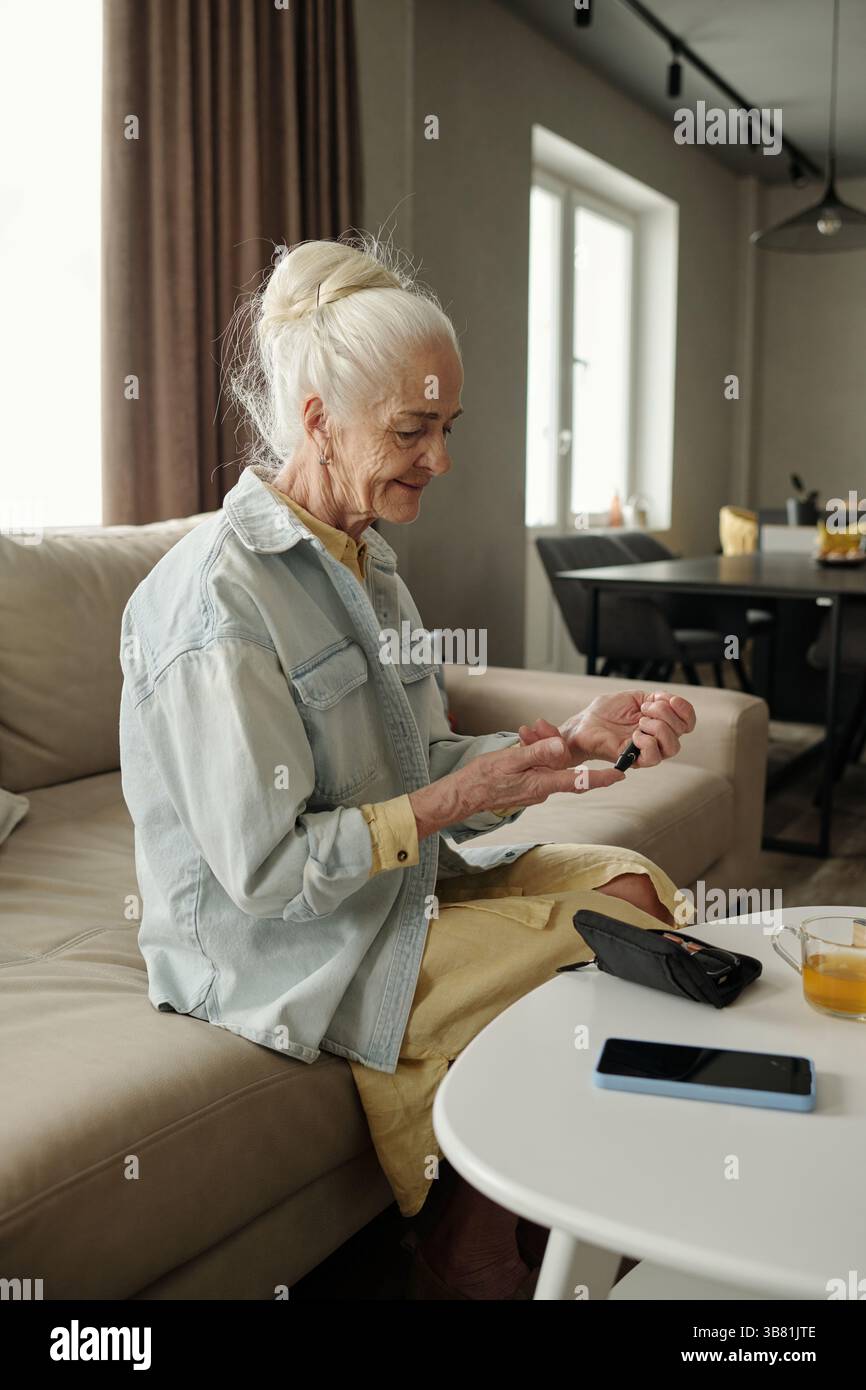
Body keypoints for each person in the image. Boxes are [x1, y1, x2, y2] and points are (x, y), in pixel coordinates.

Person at [119, 235, 696, 1301]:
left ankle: (495, 1218)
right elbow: (268, 873)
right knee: (604, 939)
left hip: (388, 890)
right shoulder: (215, 600)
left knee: (630, 888)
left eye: (446, 428)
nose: (438, 458)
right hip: (278, 946)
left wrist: (567, 745)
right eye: (411, 430)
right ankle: (467, 1247)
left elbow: (423, 762)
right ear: (314, 419)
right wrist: (449, 799)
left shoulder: (367, 565)